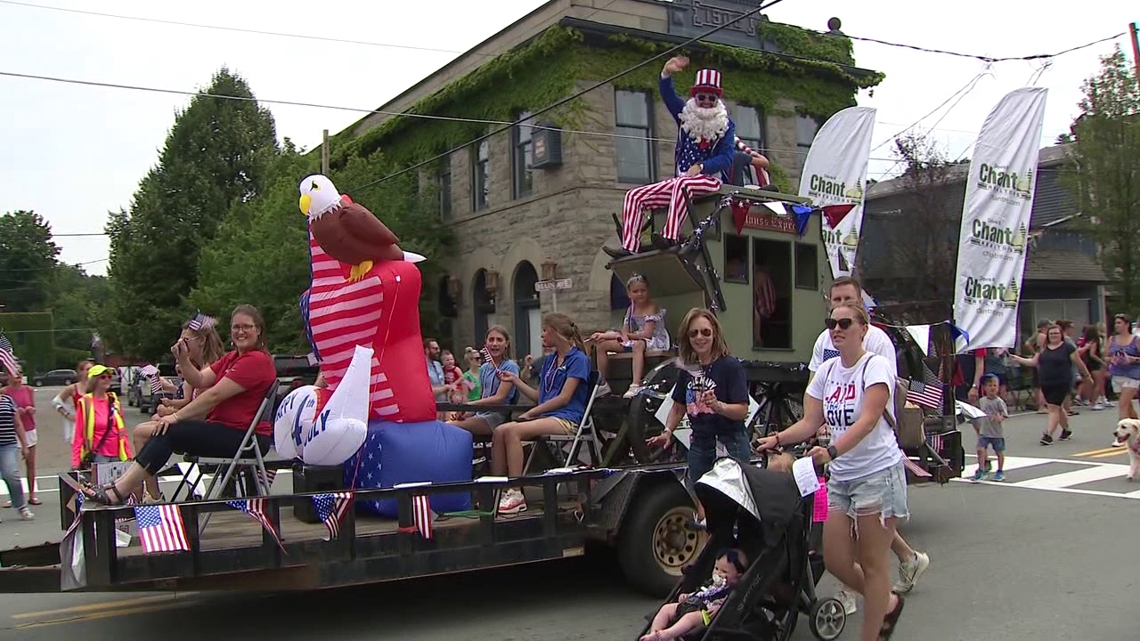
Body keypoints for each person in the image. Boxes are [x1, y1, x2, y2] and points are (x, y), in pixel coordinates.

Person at [757, 302, 908, 641]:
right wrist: (776, 439)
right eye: (831, 323)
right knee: (836, 560)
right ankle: (886, 602)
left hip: (877, 474)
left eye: (844, 323)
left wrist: (831, 451)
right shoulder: (827, 371)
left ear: (863, 329)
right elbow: (810, 421)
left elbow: (868, 421)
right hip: (841, 477)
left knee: (872, 564)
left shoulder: (876, 366)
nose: (836, 329)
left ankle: (873, 632)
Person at [807, 277, 929, 610]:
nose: (840, 307)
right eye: (835, 301)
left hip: (871, 445)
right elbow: (816, 384)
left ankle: (851, 592)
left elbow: (877, 400)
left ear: (860, 303)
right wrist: (816, 422)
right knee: (850, 523)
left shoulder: (876, 341)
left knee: (862, 529)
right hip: (841, 445)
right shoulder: (825, 340)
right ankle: (908, 558)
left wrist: (839, 439)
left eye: (848, 299)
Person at [76, 305, 277, 506]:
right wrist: (182, 358)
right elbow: (199, 379)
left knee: (169, 430)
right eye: (236, 327)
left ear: (258, 330)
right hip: (229, 431)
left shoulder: (256, 360)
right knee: (165, 430)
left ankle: (122, 491)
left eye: (246, 327)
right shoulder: (232, 358)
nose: (240, 332)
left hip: (245, 438)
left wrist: (174, 416)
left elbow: (213, 395)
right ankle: (120, 488)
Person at [604, 57, 736, 258]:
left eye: (712, 98)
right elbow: (668, 95)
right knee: (634, 195)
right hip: (682, 181)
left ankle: (670, 236)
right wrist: (666, 73)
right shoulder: (685, 116)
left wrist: (701, 166)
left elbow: (727, 158)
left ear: (717, 100)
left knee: (682, 185)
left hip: (710, 181)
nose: (706, 101)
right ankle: (630, 246)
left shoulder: (726, 125)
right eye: (702, 97)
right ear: (695, 97)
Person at [646, 308, 750, 525]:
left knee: (730, 505)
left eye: (705, 332)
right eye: (693, 333)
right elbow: (678, 407)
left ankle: (727, 542)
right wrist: (667, 432)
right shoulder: (688, 369)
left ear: (715, 334)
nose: (700, 338)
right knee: (702, 501)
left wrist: (718, 406)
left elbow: (742, 410)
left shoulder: (730, 366)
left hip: (729, 441)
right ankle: (709, 540)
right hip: (700, 443)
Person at [492, 314, 591, 514]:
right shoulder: (549, 361)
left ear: (555, 332)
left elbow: (564, 398)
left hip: (567, 418)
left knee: (513, 431)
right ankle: (496, 490)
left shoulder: (579, 360)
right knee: (499, 431)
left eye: (545, 330)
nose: (542, 335)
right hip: (547, 415)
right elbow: (540, 397)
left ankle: (516, 493)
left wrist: (533, 413)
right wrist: (516, 381)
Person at [641, 548, 749, 641]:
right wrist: (687, 596)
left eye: (724, 571)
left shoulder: (732, 590)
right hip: (691, 604)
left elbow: (731, 605)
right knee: (666, 608)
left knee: (690, 617)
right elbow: (700, 592)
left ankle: (666, 634)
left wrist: (720, 609)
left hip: (705, 614)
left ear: (738, 576)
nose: (718, 573)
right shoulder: (710, 583)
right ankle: (654, 633)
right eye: (716, 568)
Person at [1010, 323, 1092, 445]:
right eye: (1051, 333)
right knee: (1057, 407)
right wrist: (1018, 359)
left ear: (1061, 335)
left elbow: (1078, 362)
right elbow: (1033, 362)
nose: (1054, 335)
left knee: (1053, 408)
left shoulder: (1068, 347)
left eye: (1056, 333)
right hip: (1046, 382)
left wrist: (1087, 376)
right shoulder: (1043, 348)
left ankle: (1048, 435)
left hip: (1062, 381)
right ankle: (1066, 430)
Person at [592, 273, 670, 399]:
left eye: (642, 290)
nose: (639, 294)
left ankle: (635, 384)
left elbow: (647, 334)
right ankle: (603, 383)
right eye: (635, 291)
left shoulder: (652, 307)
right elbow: (624, 331)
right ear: (629, 294)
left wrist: (627, 336)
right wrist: (606, 336)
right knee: (602, 345)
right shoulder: (630, 309)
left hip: (653, 339)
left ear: (648, 291)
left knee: (638, 345)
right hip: (635, 337)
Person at [449, 326, 520, 438]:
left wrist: (468, 405)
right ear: (486, 343)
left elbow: (499, 398)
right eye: (491, 340)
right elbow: (480, 397)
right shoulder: (482, 369)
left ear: (506, 344)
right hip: (480, 413)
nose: (495, 343)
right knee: (448, 425)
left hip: (497, 417)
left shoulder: (510, 366)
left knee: (449, 427)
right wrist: (465, 413)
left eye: (499, 340)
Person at [70, 364, 134, 472]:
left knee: (119, 482)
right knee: (101, 482)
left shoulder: (113, 399)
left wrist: (128, 453)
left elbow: (122, 431)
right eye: (103, 377)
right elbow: (79, 434)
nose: (107, 379)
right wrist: (75, 461)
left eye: (109, 377)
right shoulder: (85, 402)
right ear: (94, 380)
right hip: (98, 455)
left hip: (118, 453)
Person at [0, 372, 39, 506]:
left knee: (31, 463)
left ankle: (32, 495)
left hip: (29, 428)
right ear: (9, 376)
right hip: (11, 431)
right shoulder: (4, 391)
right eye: (15, 373)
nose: (18, 375)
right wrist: (17, 411)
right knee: (11, 467)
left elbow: (33, 406)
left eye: (20, 373)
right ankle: (14, 497)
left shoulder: (28, 389)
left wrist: (31, 409)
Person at [0, 391, 33, 521]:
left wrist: (25, 445)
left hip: (8, 444)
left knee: (11, 474)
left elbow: (17, 423)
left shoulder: (8, 400)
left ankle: (21, 506)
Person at [971, 374, 1009, 482]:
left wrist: (1000, 418)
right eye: (989, 385)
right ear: (984, 388)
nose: (992, 387)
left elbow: (1005, 414)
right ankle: (981, 470)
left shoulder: (999, 401)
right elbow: (978, 412)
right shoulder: (982, 401)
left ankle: (1000, 471)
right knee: (980, 449)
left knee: (999, 452)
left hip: (996, 433)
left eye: (995, 385)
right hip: (984, 431)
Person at [53, 360, 93, 444]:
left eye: (92, 369)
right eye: (88, 369)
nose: (90, 372)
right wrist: (67, 415)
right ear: (80, 372)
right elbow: (56, 402)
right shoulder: (73, 388)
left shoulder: (96, 387)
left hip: (95, 424)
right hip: (79, 425)